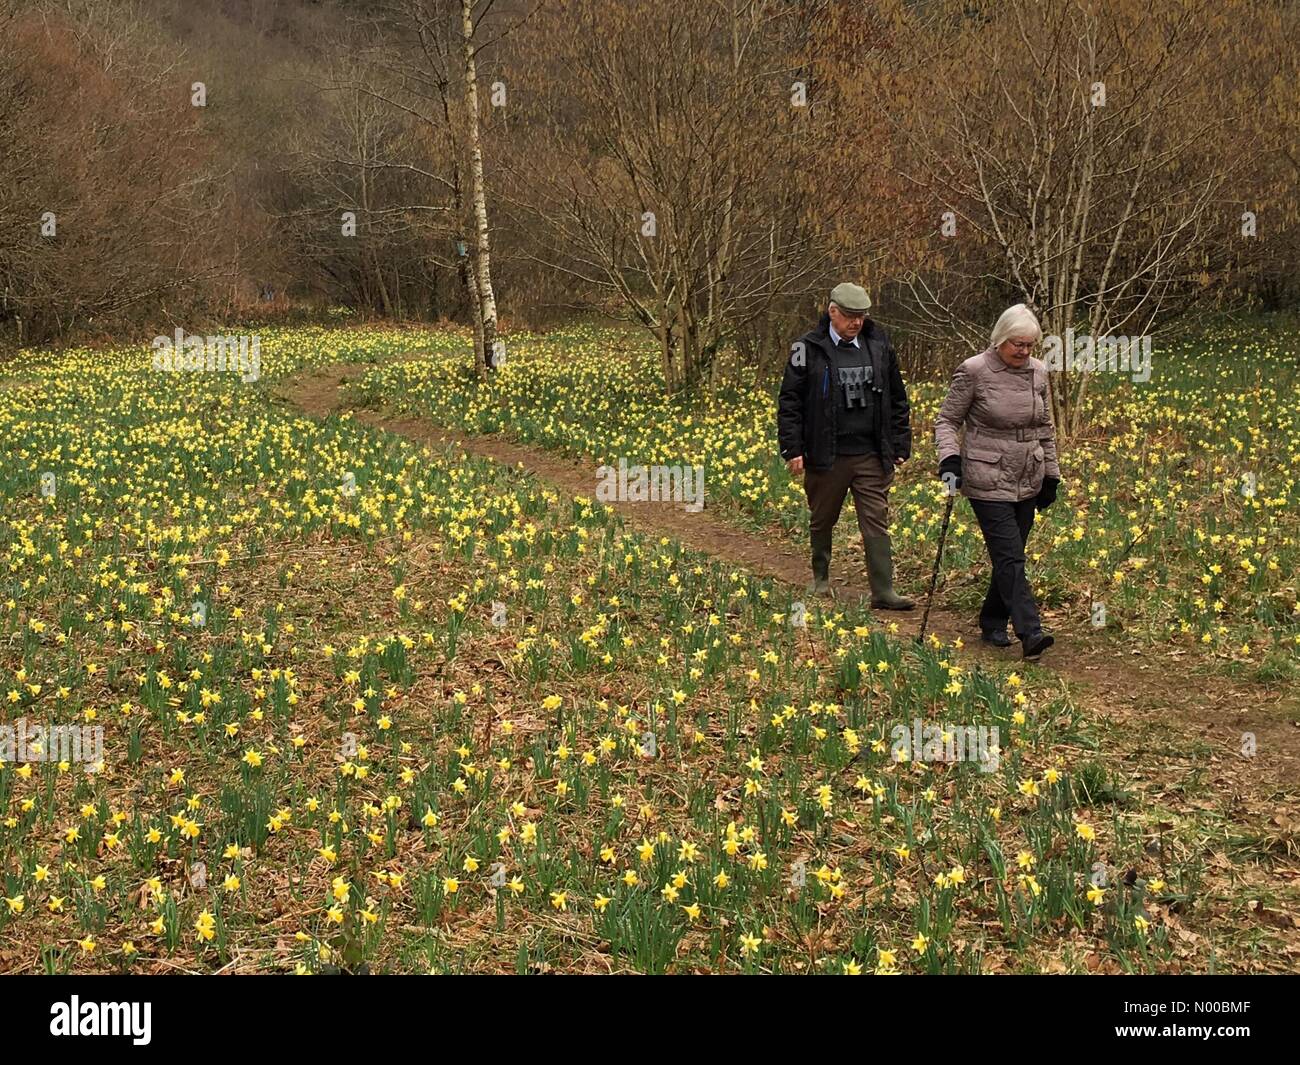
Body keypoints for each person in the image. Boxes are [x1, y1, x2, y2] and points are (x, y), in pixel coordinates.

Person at [934, 303, 1060, 661]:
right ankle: (1030, 632)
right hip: (986, 476)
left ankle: (991, 621)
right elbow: (946, 421)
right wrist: (950, 459)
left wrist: (1051, 474)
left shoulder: (1038, 372)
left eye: (1030, 345)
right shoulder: (974, 370)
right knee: (1009, 556)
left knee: (1011, 555)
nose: (1023, 351)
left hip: (1028, 475)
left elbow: (1045, 429)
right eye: (1017, 344)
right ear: (1000, 339)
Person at [778, 282, 913, 608]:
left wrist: (899, 442)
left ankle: (883, 592)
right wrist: (792, 448)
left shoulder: (879, 346)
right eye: (850, 316)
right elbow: (790, 401)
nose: (856, 322)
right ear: (832, 312)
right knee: (823, 517)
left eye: (862, 316)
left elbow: (897, 398)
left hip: (870, 453)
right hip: (827, 454)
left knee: (875, 518)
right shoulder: (806, 348)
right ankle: (820, 580)